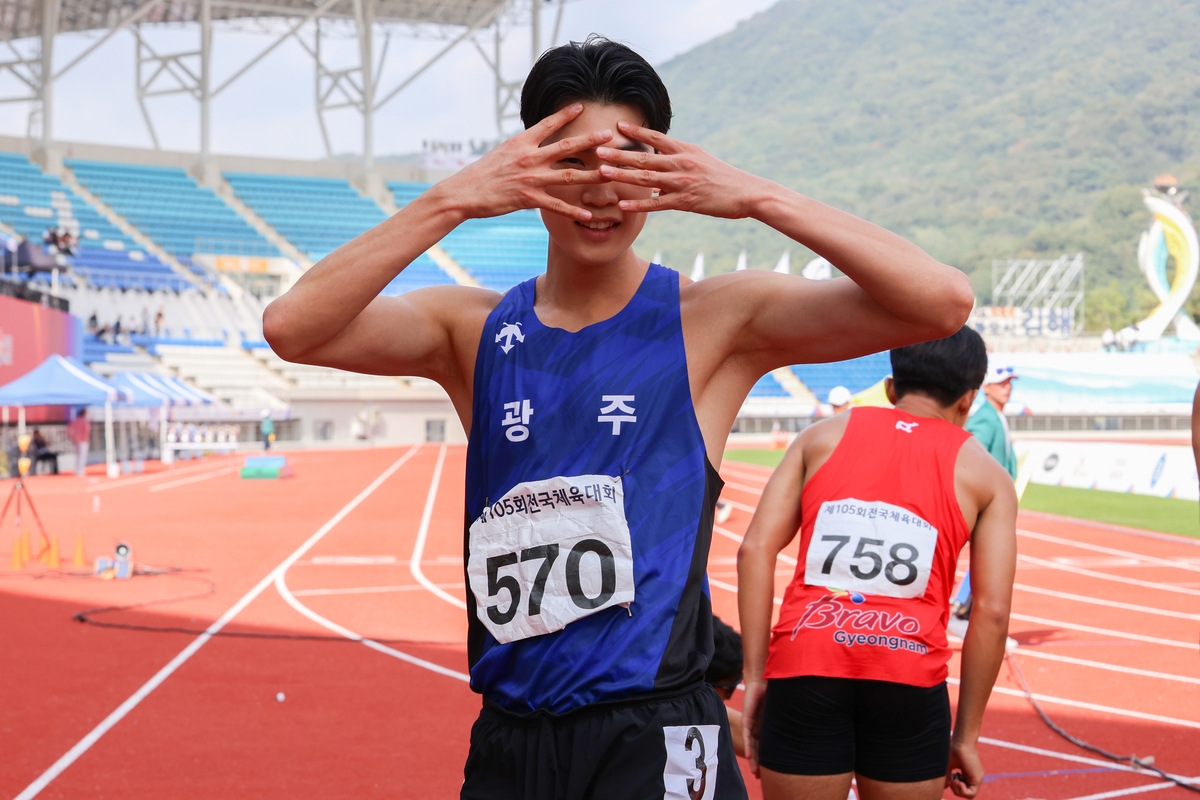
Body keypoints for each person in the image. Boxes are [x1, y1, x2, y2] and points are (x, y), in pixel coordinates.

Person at [262, 36, 973, 799]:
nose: (601, 193)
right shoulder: (468, 330)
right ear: (525, 170)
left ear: (665, 173)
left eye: (628, 166)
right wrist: (455, 198)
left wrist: (756, 197)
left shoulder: (715, 319)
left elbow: (940, 302)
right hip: (512, 737)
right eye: (571, 164)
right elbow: (292, 328)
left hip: (657, 736)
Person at [738, 327, 1016, 800]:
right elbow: (989, 610)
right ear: (970, 401)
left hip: (807, 662)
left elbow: (754, 550)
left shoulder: (819, 437)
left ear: (891, 388)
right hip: (909, 675)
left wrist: (755, 675)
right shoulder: (988, 476)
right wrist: (965, 737)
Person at [951, 365, 1018, 630]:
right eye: (1002, 383)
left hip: (995, 501)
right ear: (987, 387)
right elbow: (972, 454)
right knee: (989, 558)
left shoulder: (997, 416)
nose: (1007, 387)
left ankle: (965, 614)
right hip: (989, 502)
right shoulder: (986, 418)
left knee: (987, 558)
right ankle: (962, 613)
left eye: (1010, 382)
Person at [67, 412, 91, 476]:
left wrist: (71, 437)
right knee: (82, 456)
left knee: (77, 456)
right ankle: (79, 470)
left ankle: (77, 470)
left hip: (76, 440)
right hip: (83, 441)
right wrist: (84, 438)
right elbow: (87, 429)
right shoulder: (85, 421)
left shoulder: (74, 421)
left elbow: (68, 429)